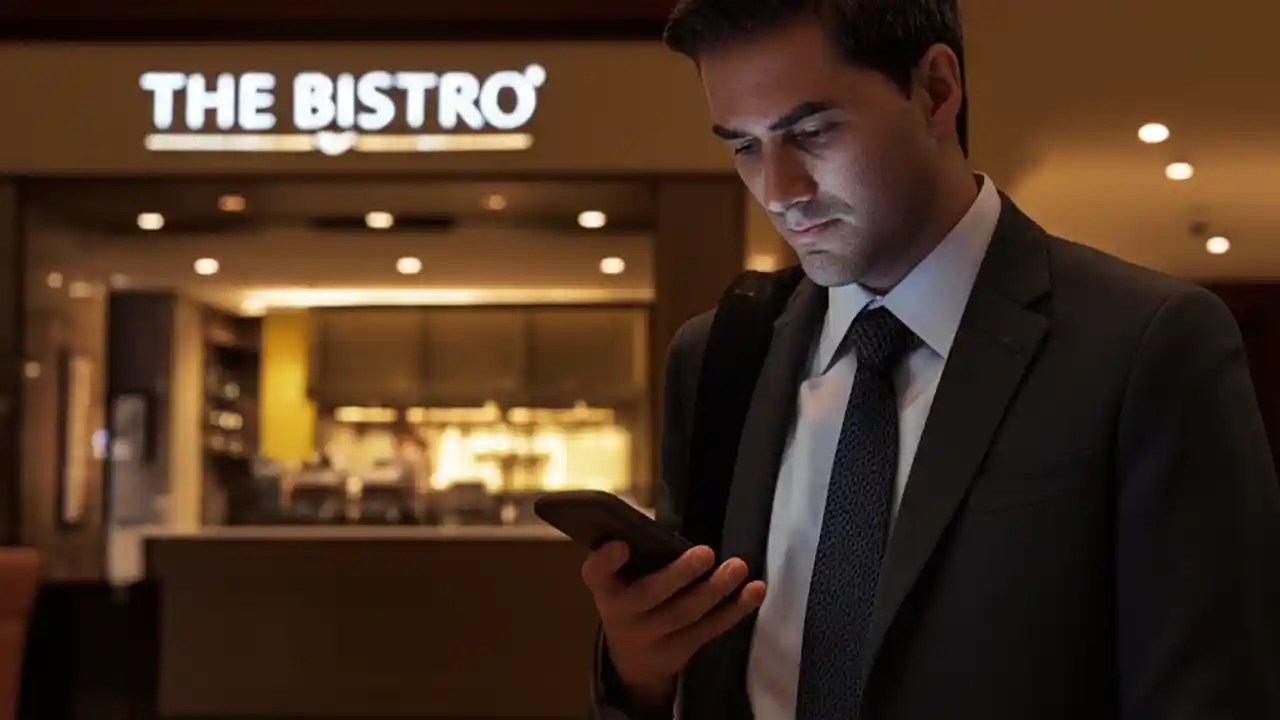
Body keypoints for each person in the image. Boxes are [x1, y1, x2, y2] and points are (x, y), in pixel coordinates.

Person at [578, 0, 1280, 718]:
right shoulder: (720, 357)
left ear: (937, 91)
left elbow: (1211, 692)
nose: (779, 190)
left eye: (812, 132)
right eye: (744, 147)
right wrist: (639, 674)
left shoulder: (1146, 346)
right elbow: (693, 676)